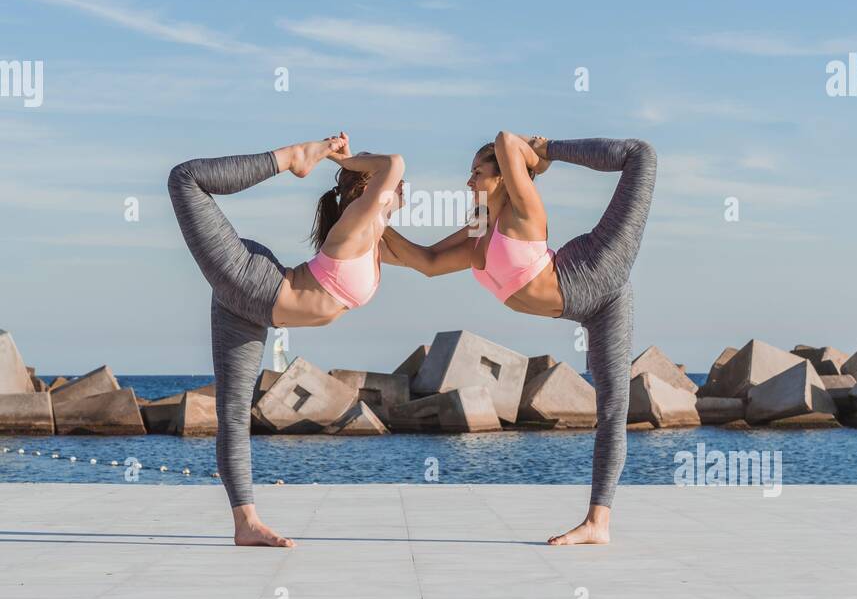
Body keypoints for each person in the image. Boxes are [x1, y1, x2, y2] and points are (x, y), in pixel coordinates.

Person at [381, 133, 656, 545]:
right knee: (611, 407)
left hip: (599, 267)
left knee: (642, 156)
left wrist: (542, 152)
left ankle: (598, 521)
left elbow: (507, 140)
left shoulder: (522, 211)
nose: (468, 181)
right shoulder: (480, 230)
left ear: (505, 179)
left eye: (477, 172)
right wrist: (370, 225)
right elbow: (427, 262)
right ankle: (597, 526)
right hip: (593, 303)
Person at [168, 134, 404, 547]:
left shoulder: (377, 238)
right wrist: (343, 160)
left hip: (252, 304)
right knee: (184, 177)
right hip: (251, 282)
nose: (403, 192)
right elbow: (395, 164)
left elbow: (435, 262)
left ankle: (246, 523)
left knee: (233, 411)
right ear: (371, 191)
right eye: (396, 191)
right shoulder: (355, 227)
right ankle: (290, 157)